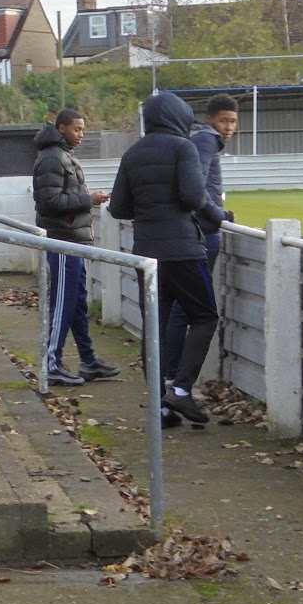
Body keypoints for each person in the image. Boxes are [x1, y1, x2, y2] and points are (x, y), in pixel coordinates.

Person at [107, 90, 218, 427]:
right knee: (205, 316)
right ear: (178, 117)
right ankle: (181, 391)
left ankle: (161, 408)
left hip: (147, 255)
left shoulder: (133, 153)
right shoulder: (183, 147)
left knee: (153, 327)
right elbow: (193, 196)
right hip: (183, 251)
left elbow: (118, 208)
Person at [32, 109, 120, 386]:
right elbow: (49, 203)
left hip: (73, 241)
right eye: (76, 129)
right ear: (61, 129)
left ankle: (88, 360)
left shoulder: (62, 156)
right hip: (62, 242)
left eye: (83, 130)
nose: (81, 135)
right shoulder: (51, 159)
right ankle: (52, 364)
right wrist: (88, 199)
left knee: (78, 303)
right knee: (63, 303)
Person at [163, 94, 238, 383]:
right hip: (203, 232)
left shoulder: (195, 139)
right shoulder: (206, 140)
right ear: (210, 119)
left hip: (191, 230)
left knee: (177, 307)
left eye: (233, 122)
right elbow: (197, 189)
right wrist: (220, 214)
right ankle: (175, 380)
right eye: (224, 120)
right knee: (189, 309)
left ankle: (169, 377)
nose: (229, 127)